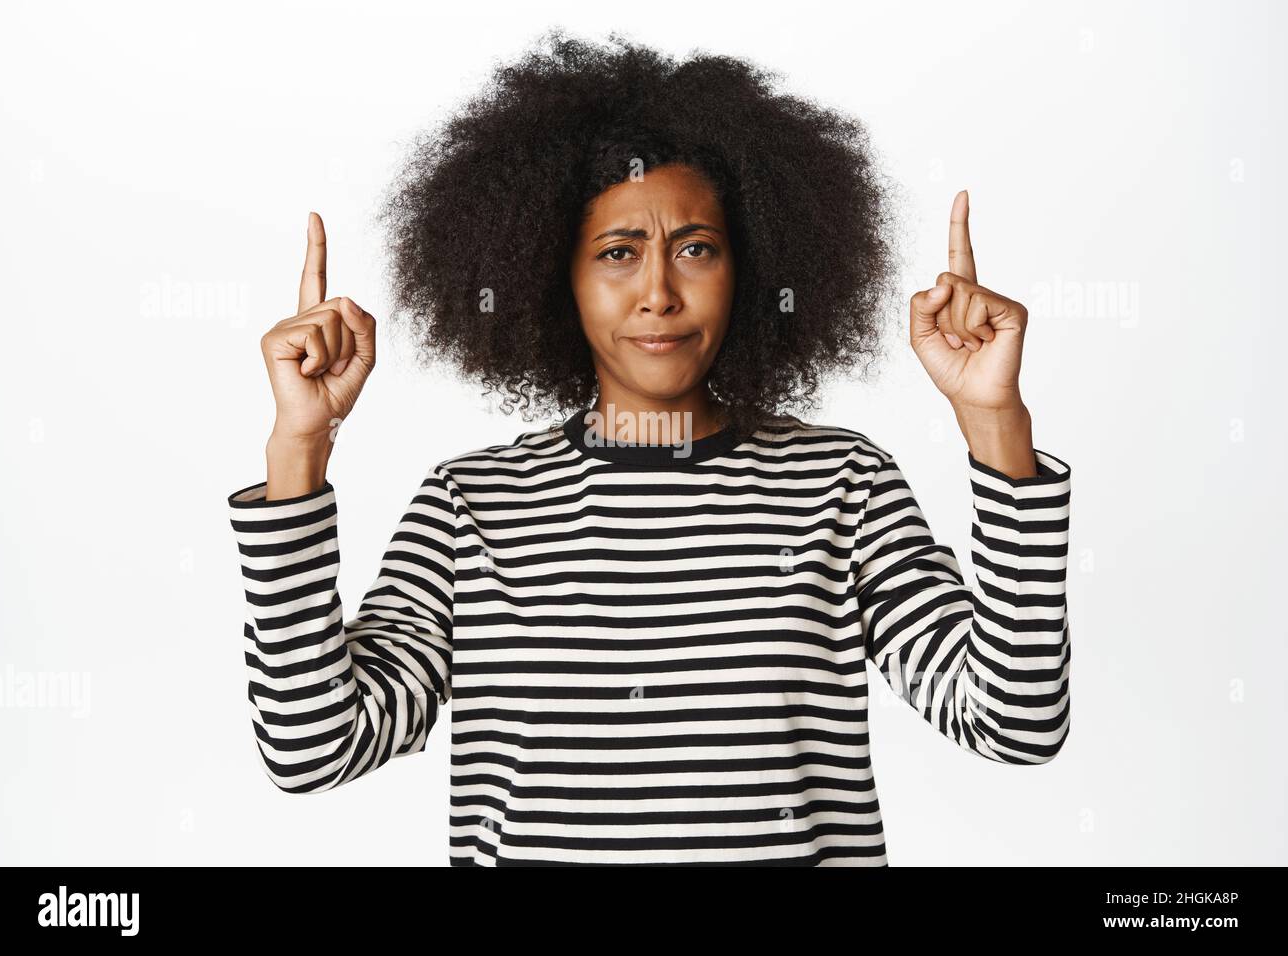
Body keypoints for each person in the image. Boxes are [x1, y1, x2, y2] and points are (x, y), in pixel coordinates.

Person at [226, 32, 1071, 866]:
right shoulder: (470, 507)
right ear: (552, 275)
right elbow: (314, 752)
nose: (659, 293)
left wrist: (995, 422)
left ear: (754, 265)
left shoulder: (842, 485)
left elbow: (1016, 723)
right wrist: (301, 446)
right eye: (618, 253)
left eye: (695, 248)